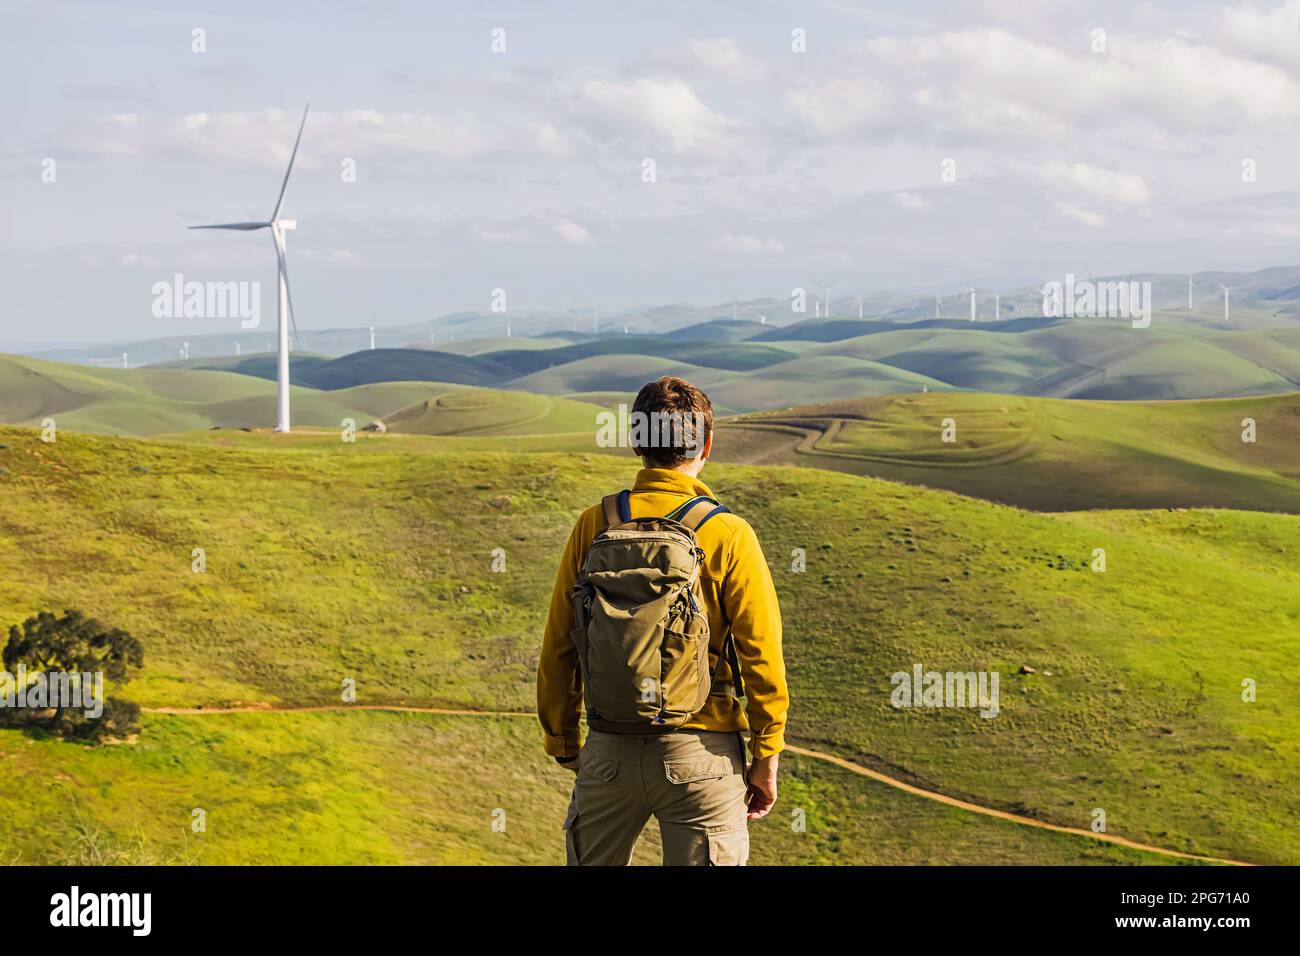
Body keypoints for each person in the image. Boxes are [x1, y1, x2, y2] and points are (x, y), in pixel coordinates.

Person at [536, 375, 788, 865]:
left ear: (636, 441)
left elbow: (560, 644)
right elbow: (762, 656)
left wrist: (564, 741)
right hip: (703, 754)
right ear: (707, 444)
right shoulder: (729, 533)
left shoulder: (594, 524)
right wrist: (766, 756)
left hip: (609, 746)